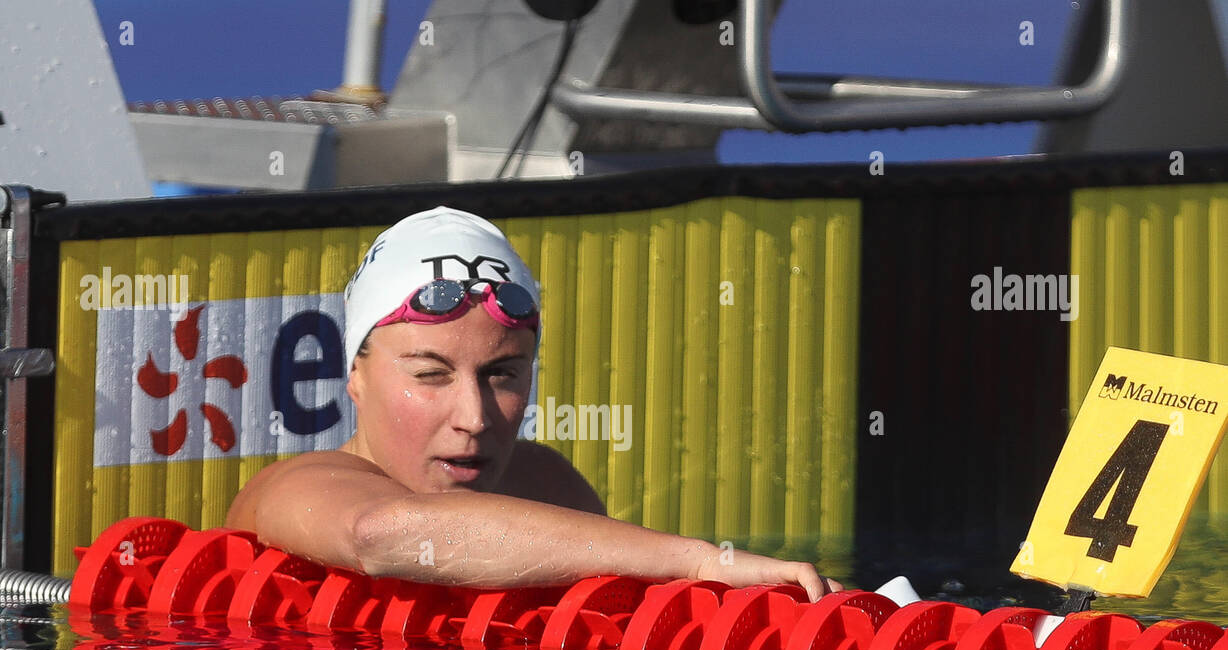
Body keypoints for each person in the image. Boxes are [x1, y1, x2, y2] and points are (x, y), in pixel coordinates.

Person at [226, 205, 843, 598]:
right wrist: (702, 561)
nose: (473, 418)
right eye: (431, 374)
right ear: (353, 375)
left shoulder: (547, 486)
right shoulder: (295, 490)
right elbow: (379, 534)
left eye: (501, 375)